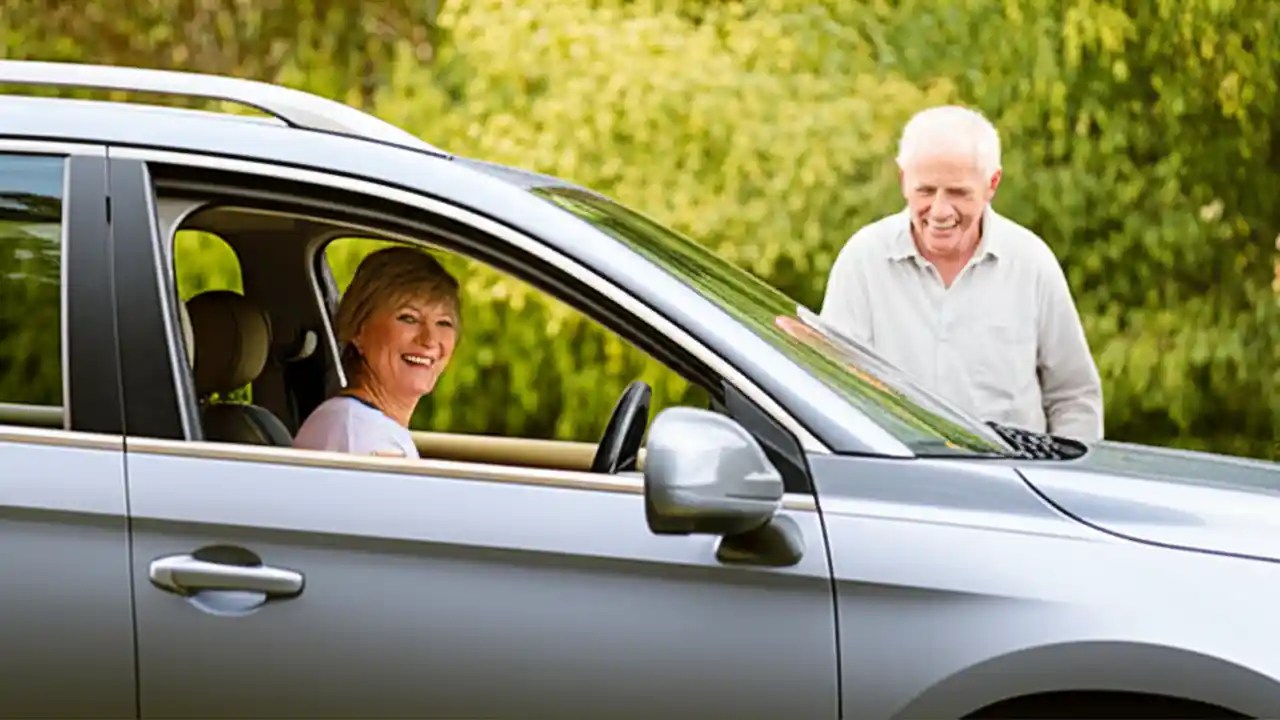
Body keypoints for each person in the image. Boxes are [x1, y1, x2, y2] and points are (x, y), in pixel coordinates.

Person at [819, 105, 1104, 442]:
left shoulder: (1031, 263)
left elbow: (1073, 397)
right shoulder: (863, 261)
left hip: (1009, 485)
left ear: (992, 184)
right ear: (903, 180)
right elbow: (831, 388)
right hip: (894, 481)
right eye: (925, 191)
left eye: (957, 193)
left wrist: (1065, 481)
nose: (939, 211)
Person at [294, 245, 461, 457]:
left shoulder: (357, 421)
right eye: (408, 318)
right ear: (358, 330)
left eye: (444, 323)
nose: (429, 340)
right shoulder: (366, 439)